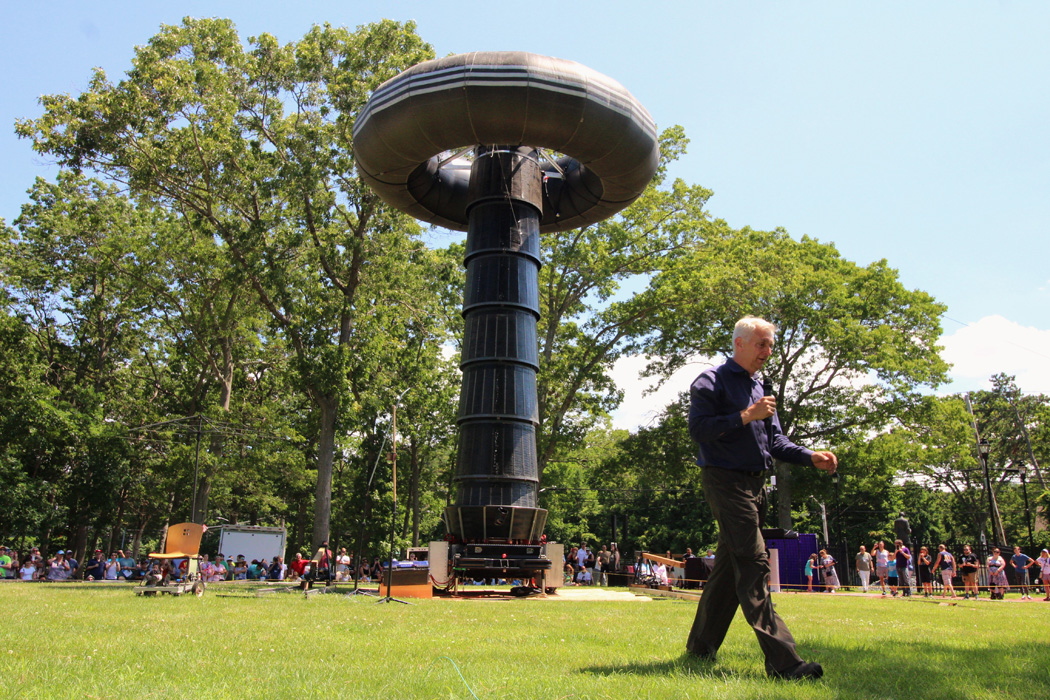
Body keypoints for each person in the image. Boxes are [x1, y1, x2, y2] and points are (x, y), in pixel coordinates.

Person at [685, 316, 837, 681]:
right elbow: (698, 429)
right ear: (739, 343)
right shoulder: (710, 381)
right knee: (754, 565)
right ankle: (786, 664)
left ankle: (699, 649)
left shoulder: (759, 387)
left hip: (756, 487)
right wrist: (744, 416)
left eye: (770, 345)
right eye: (761, 344)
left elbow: (776, 441)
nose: (767, 351)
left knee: (728, 571)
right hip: (725, 482)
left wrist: (810, 457)